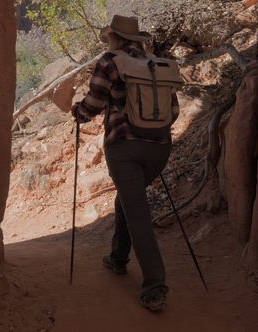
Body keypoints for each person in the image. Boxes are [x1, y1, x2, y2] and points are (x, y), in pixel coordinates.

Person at [71, 15, 179, 311]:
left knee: (137, 213)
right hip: (160, 148)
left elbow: (92, 105)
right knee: (129, 201)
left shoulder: (109, 62)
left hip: (124, 148)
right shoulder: (158, 64)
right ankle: (118, 258)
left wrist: (76, 112)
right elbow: (174, 111)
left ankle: (155, 288)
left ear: (113, 38)